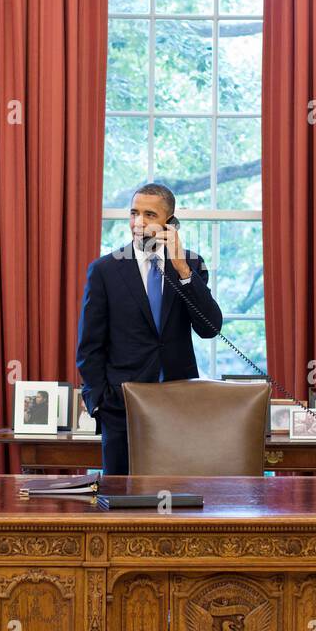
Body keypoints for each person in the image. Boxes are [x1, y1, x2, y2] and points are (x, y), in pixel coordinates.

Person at [75, 183, 224, 474]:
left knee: (179, 498)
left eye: (149, 215)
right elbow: (89, 346)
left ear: (170, 223)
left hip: (178, 405)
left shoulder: (190, 264)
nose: (138, 223)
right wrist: (100, 403)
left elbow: (209, 328)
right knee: (122, 500)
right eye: (134, 213)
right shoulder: (105, 270)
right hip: (121, 408)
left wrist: (181, 269)